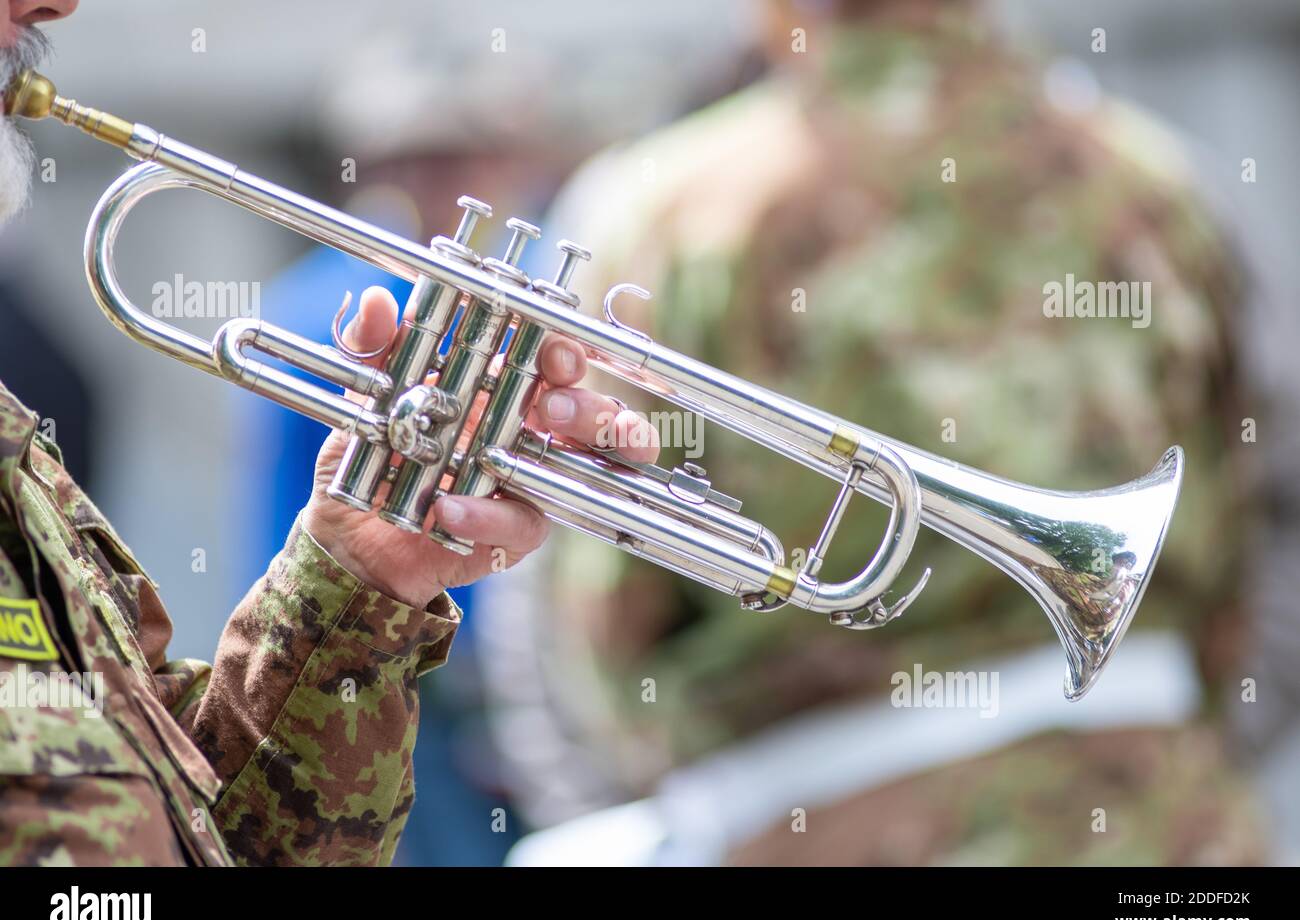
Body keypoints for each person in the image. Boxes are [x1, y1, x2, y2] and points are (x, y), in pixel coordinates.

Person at [509, 0, 1264, 864]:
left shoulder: (662, 204)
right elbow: (1263, 539)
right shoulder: (1161, 181)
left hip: (815, 833)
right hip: (1169, 827)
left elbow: (596, 609)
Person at [0, 1, 658, 866]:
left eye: (473, 154)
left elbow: (197, 824)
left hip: (478, 675)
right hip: (450, 708)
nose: (57, 4)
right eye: (427, 158)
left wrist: (360, 580)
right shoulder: (318, 302)